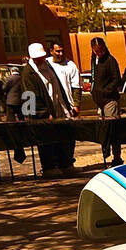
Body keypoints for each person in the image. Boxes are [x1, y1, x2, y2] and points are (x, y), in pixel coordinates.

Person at [17, 42, 76, 173]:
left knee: (64, 137)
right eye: (37, 58)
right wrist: (41, 113)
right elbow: (29, 97)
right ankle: (49, 167)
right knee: (47, 142)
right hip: (43, 114)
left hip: (58, 108)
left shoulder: (47, 66)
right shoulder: (28, 73)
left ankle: (65, 164)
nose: (40, 60)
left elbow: (58, 87)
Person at [89, 36, 125, 165]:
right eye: (96, 51)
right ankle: (106, 152)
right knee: (103, 130)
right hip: (99, 101)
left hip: (110, 100)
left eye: (101, 50)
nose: (99, 53)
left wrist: (106, 91)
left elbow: (117, 80)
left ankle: (117, 156)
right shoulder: (94, 60)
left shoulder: (110, 61)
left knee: (113, 129)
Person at [49, 42, 80, 118]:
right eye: (58, 51)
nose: (61, 54)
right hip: (52, 107)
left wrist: (76, 105)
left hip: (68, 107)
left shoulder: (70, 65)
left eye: (62, 51)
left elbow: (77, 86)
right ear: (51, 51)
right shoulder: (46, 65)